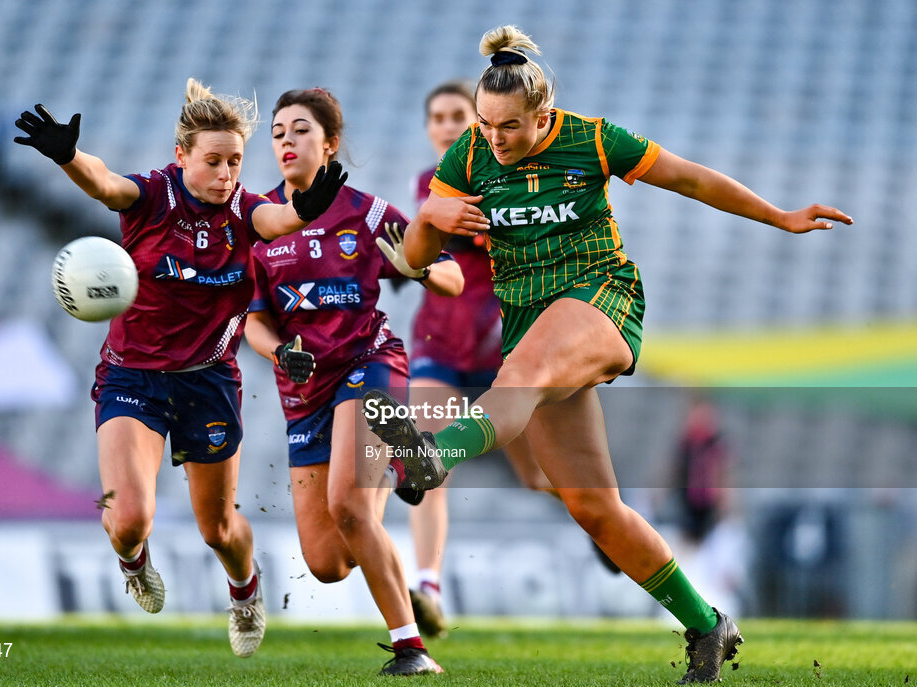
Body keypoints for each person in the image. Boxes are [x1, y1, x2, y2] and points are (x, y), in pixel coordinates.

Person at [364, 26, 852, 684]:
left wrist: (781, 216)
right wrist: (430, 221)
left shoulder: (592, 138)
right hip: (530, 318)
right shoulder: (470, 157)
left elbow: (690, 179)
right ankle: (708, 625)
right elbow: (417, 261)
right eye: (485, 124)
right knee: (593, 506)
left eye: (508, 126)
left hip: (601, 299)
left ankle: (430, 453)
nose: (493, 138)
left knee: (522, 374)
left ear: (544, 115)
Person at [13, 79, 346, 658]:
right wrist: (67, 156)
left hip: (208, 380)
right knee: (129, 520)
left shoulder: (246, 210)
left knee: (218, 530)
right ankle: (132, 562)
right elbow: (106, 184)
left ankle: (244, 591)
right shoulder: (152, 198)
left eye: (236, 162)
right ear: (181, 156)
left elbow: (275, 222)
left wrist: (302, 212)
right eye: (213, 161)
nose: (226, 174)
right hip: (131, 375)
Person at [243, 87, 462, 676]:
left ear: (330, 143)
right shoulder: (261, 220)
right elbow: (253, 324)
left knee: (348, 502)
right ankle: (404, 459)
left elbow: (450, 277)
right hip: (304, 392)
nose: (286, 141)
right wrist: (279, 351)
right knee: (328, 562)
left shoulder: (365, 213)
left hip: (368, 365)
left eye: (300, 131)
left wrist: (418, 267)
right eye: (278, 132)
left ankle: (410, 648)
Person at [404, 80, 564, 639]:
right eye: (437, 117)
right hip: (441, 342)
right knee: (428, 458)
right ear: (429, 128)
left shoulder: (509, 176)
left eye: (457, 116)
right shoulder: (432, 184)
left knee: (540, 479)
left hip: (502, 345)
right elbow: (422, 250)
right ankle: (427, 583)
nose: (447, 125)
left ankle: (602, 519)